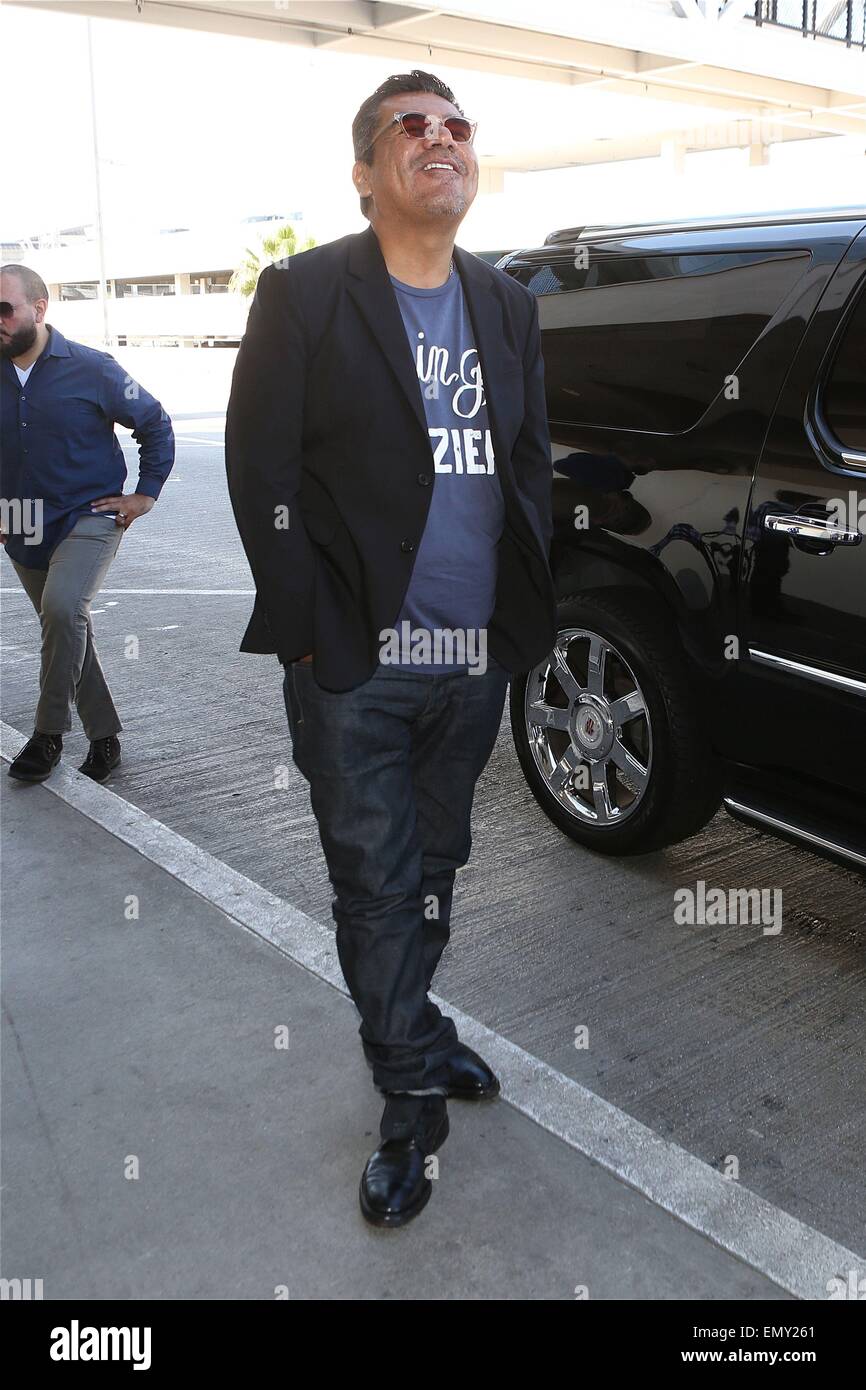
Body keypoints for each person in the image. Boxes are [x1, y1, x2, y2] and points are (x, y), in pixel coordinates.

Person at [225, 70, 556, 1228]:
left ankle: (417, 1023)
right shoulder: (306, 294)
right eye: (407, 128)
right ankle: (408, 1098)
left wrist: (520, 615)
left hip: (473, 661)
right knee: (373, 890)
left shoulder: (507, 306)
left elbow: (526, 465)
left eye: (456, 125)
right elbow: (259, 474)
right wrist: (311, 632)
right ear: (366, 174)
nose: (438, 139)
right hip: (355, 666)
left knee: (432, 871)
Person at [0, 264, 174, 783]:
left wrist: (145, 494)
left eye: (6, 308)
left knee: (61, 608)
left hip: (89, 515)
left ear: (39, 307)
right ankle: (105, 736)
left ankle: (48, 733)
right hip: (22, 522)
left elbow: (155, 423)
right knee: (65, 626)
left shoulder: (93, 368)